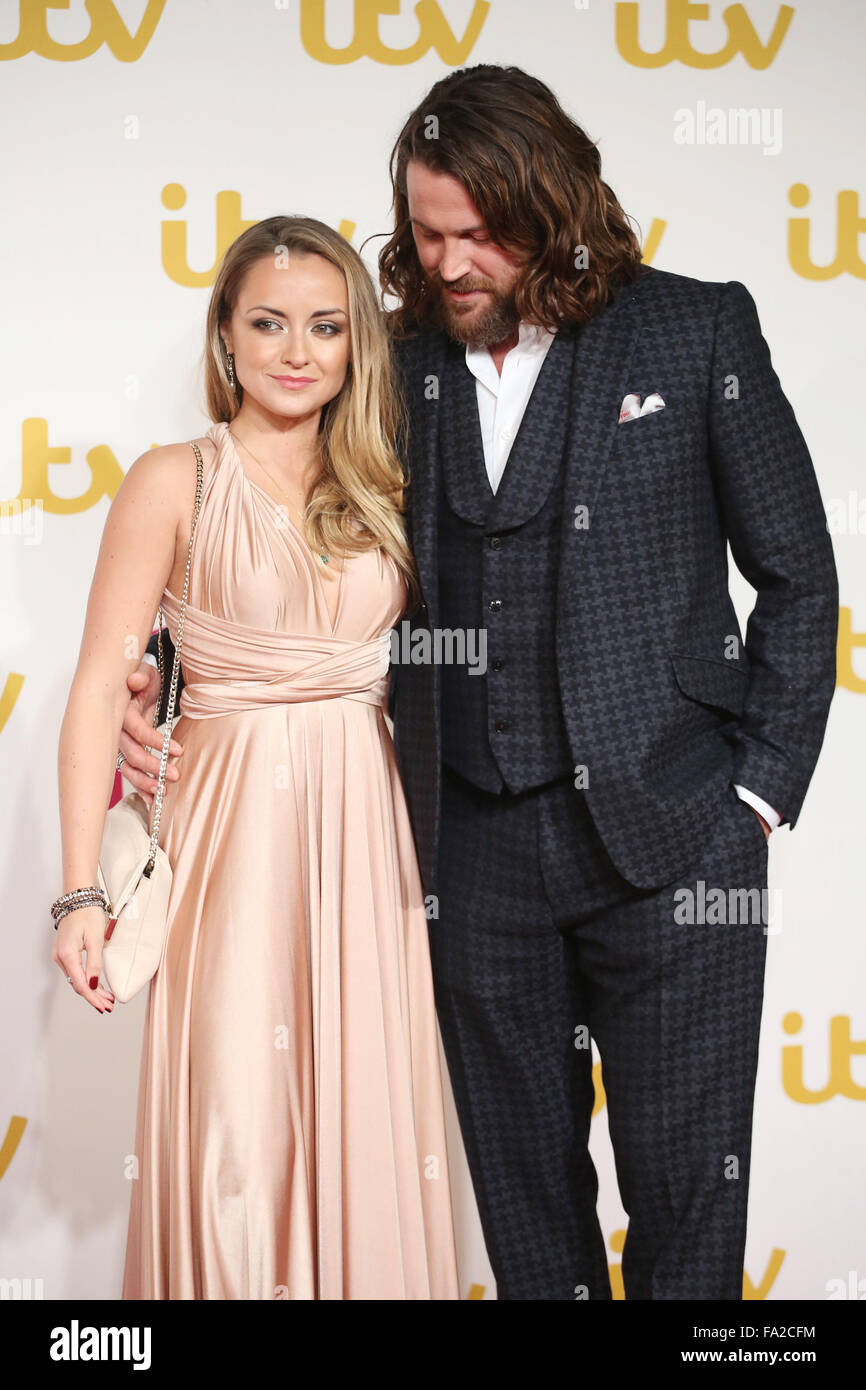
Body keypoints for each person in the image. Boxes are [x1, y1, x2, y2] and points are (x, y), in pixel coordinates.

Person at [122, 66, 838, 1301]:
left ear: (551, 204)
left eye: (476, 235)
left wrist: (756, 799)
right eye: (425, 233)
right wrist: (167, 670)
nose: (447, 263)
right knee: (523, 1212)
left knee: (685, 1204)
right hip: (465, 854)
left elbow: (797, 575)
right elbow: (298, 541)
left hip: (677, 842)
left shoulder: (693, 328)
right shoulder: (391, 367)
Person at [54, 215, 460, 1300]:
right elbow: (100, 680)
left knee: (360, 1109)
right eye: (268, 323)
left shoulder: (387, 476)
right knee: (233, 1116)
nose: (296, 350)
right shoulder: (171, 477)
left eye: (325, 327)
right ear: (225, 337)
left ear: (353, 345)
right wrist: (78, 892)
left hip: (366, 832)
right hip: (229, 829)